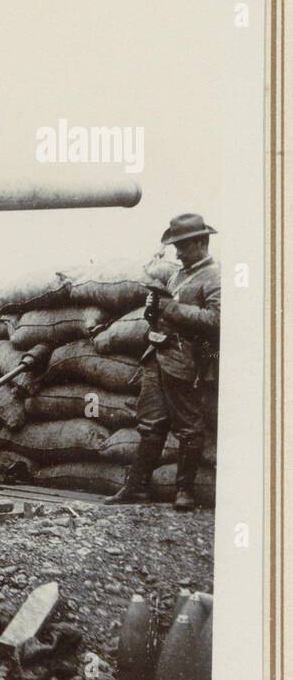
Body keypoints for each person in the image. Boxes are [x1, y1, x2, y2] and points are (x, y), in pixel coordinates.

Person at [104, 213, 221, 510]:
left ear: (201, 242)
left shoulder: (215, 276)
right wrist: (153, 309)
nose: (178, 253)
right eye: (176, 247)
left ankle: (185, 491)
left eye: (183, 246)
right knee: (149, 424)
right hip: (159, 356)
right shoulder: (177, 275)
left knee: (189, 427)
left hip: (187, 361)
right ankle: (135, 487)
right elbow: (163, 315)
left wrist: (171, 309)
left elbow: (216, 320)